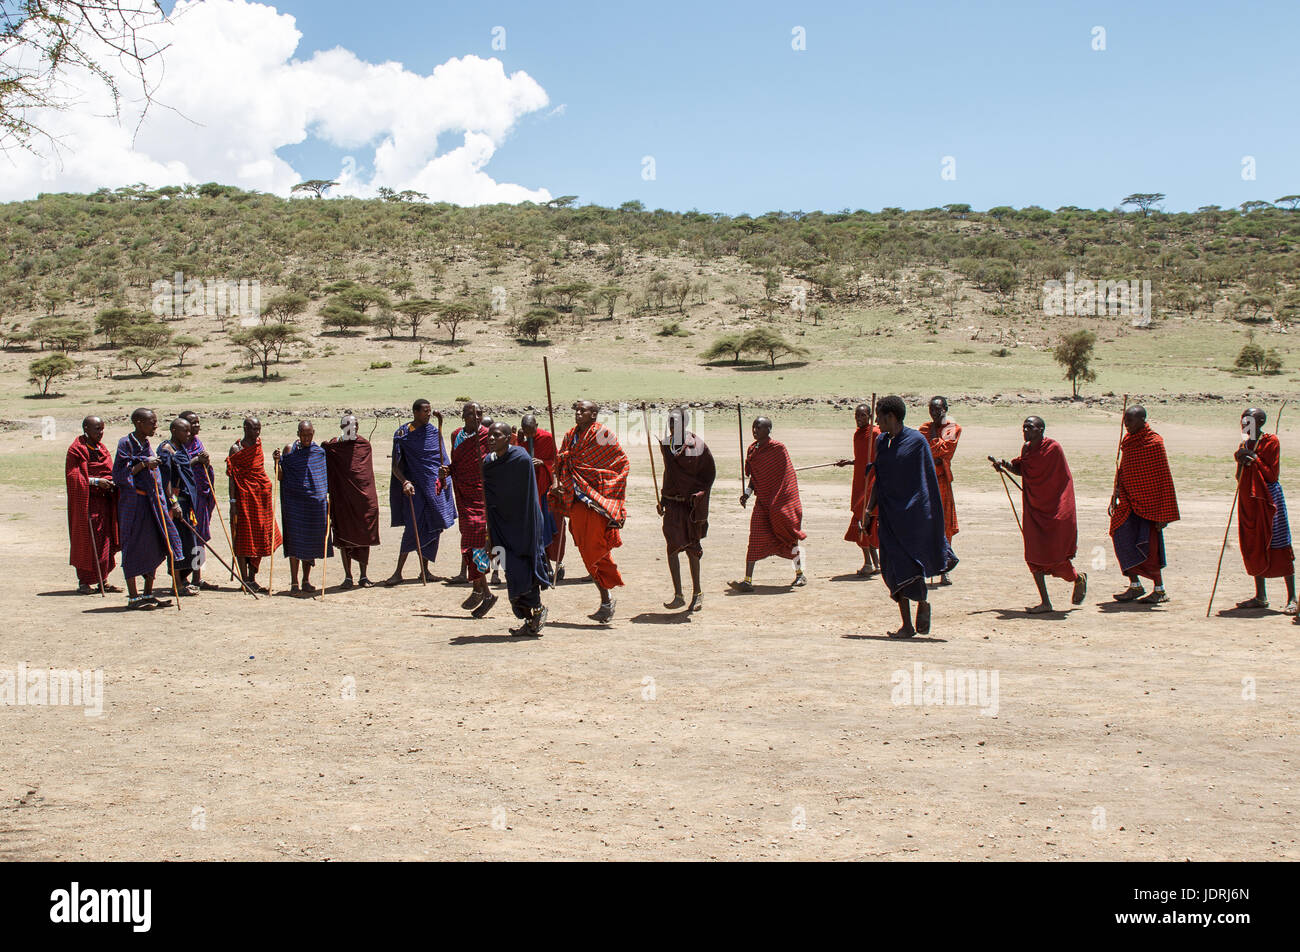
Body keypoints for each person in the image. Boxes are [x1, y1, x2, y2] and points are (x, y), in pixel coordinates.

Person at [865, 395, 958, 638]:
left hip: (912, 516)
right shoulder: (881, 442)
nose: (877, 421)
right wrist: (868, 511)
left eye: (880, 417)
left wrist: (925, 516)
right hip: (888, 515)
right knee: (892, 568)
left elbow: (924, 482)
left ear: (892, 417)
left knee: (909, 565)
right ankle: (906, 624)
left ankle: (922, 604)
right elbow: (879, 478)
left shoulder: (916, 442)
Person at [991, 416, 1086, 613]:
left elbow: (1061, 480)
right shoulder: (1026, 449)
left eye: (1030, 427)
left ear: (1041, 429)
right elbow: (1022, 469)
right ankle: (1045, 602)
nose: (1025, 430)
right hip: (1034, 508)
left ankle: (1077, 578)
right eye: (1024, 427)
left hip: (1054, 508)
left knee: (1056, 555)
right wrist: (1004, 465)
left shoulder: (1053, 448)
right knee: (1033, 555)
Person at [553, 400, 629, 623]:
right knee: (585, 549)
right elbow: (559, 462)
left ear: (593, 414)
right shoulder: (569, 435)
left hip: (594, 502)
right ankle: (606, 600)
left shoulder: (603, 435)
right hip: (575, 502)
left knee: (595, 548)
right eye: (576, 410)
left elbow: (621, 463)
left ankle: (606, 599)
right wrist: (556, 482)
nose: (578, 413)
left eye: (582, 410)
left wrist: (601, 486)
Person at [483, 422, 553, 635]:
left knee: (524, 567)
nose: (491, 439)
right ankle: (529, 619)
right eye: (490, 436)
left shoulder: (521, 458)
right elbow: (490, 495)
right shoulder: (488, 462)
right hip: (500, 525)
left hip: (524, 524)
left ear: (508, 437)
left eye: (497, 435)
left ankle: (538, 610)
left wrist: (527, 525)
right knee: (510, 569)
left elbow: (528, 495)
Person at [112, 408, 184, 609]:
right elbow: (120, 475)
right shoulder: (126, 443)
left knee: (155, 543)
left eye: (155, 422)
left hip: (153, 503)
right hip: (135, 505)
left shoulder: (145, 444)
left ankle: (148, 593)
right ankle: (134, 597)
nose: (155, 426)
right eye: (151, 422)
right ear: (137, 422)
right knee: (133, 546)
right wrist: (144, 464)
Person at [1109, 405, 1179, 604]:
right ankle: (1135, 585)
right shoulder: (1128, 442)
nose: (1126, 425)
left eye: (1130, 421)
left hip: (1150, 505)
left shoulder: (1154, 443)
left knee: (1149, 547)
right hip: (1128, 502)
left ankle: (1159, 589)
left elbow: (1163, 478)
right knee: (1120, 535)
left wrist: (1163, 514)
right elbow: (1124, 469)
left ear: (1142, 420)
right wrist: (1116, 490)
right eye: (1125, 421)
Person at [1232, 408, 1297, 614]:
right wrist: (1242, 459)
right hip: (1249, 499)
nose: (1244, 423)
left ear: (1260, 422)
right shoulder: (1244, 444)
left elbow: (1271, 476)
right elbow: (1239, 477)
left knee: (1278, 541)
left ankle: (1292, 598)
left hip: (1269, 499)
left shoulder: (1271, 441)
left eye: (1248, 420)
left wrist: (1254, 458)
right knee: (1254, 542)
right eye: (1242, 420)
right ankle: (1260, 596)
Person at [731, 416, 806, 591]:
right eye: (753, 427)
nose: (755, 430)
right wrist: (747, 493)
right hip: (762, 502)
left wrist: (782, 503)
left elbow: (787, 477)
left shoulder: (778, 449)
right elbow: (755, 478)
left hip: (779, 502)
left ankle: (800, 574)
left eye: (759, 427)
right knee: (755, 536)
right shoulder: (752, 449)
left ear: (768, 430)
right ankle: (747, 580)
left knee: (789, 538)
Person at [386, 399, 456, 585]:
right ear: (415, 412)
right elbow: (395, 466)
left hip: (433, 488)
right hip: (415, 489)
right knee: (412, 527)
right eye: (425, 411)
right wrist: (405, 482)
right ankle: (398, 572)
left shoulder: (434, 432)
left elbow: (442, 461)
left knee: (433, 526)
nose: (428, 414)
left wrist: (444, 476)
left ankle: (425, 570)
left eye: (429, 411)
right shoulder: (403, 434)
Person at [658, 405, 715, 611]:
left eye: (677, 421)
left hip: (690, 506)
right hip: (672, 504)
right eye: (670, 421)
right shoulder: (666, 445)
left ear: (686, 423)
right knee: (672, 548)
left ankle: (697, 592)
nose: (673, 425)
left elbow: (708, 476)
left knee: (692, 550)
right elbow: (668, 473)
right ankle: (678, 594)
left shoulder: (697, 445)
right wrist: (663, 499)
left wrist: (699, 496)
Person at [444, 402, 495, 616]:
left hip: (482, 496)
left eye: (479, 413)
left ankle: (482, 589)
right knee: (470, 541)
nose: (475, 417)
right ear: (462, 416)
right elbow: (456, 462)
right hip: (463, 494)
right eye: (470, 413)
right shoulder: (456, 435)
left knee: (475, 542)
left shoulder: (489, 435)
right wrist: (446, 470)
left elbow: (495, 459)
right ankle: (480, 588)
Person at [323, 413, 381, 589]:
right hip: (343, 498)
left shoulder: (364, 445)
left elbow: (365, 474)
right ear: (342, 427)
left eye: (354, 425)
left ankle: (364, 576)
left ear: (358, 427)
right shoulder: (334, 447)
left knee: (364, 534)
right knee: (344, 536)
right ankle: (348, 576)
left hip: (363, 498)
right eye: (348, 425)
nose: (351, 428)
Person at [274, 420, 331, 596]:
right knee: (294, 542)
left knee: (311, 542)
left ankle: (306, 580)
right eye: (303, 434)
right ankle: (294, 582)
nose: (306, 438)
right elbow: (280, 476)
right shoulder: (289, 450)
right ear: (298, 433)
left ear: (313, 433)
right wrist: (276, 462)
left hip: (313, 506)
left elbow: (322, 479)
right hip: (294, 503)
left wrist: (323, 499)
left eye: (309, 434)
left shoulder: (319, 453)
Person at [226, 415, 282, 593]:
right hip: (243, 499)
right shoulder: (236, 449)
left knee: (260, 536)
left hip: (260, 499)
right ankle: (244, 580)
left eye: (259, 429)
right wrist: (233, 501)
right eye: (253, 429)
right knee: (243, 538)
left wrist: (275, 460)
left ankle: (253, 577)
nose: (257, 432)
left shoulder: (258, 444)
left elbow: (259, 470)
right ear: (245, 428)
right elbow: (232, 477)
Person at [65, 415, 120, 594]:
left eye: (102, 429)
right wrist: (97, 482)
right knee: (87, 540)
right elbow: (74, 478)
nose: (100, 433)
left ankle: (103, 580)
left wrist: (111, 482)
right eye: (97, 429)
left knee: (105, 540)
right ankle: (84, 582)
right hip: (86, 503)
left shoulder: (102, 449)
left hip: (104, 502)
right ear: (86, 429)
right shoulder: (76, 450)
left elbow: (109, 471)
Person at [157, 415, 209, 595]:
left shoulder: (183, 448)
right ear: (174, 431)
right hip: (177, 504)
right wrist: (173, 503)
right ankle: (177, 584)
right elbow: (166, 480)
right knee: (177, 543)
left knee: (193, 542)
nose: (189, 433)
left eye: (190, 430)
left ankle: (194, 578)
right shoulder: (166, 450)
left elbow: (186, 467)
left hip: (191, 502)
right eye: (185, 430)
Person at [918, 395, 960, 585]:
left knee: (945, 525)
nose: (934, 413)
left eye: (938, 409)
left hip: (942, 481)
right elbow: (924, 452)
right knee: (925, 523)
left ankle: (945, 567)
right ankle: (927, 564)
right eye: (931, 409)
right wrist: (934, 455)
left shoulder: (952, 428)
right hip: (925, 480)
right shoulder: (923, 429)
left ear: (946, 409)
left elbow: (944, 450)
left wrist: (935, 434)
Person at [835, 402, 881, 577]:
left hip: (871, 483)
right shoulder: (857, 435)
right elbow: (862, 458)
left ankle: (869, 563)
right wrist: (849, 462)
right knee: (863, 521)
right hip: (859, 483)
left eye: (862, 415)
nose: (859, 419)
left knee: (862, 521)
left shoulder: (876, 433)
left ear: (870, 416)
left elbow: (876, 459)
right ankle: (876, 563)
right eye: (857, 415)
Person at [517, 413, 562, 579]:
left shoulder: (547, 438)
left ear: (537, 426)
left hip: (544, 488)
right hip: (527, 489)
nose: (530, 435)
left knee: (546, 525)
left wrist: (543, 463)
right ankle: (539, 563)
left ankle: (552, 562)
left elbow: (556, 462)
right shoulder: (520, 439)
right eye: (526, 432)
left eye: (532, 431)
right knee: (532, 527)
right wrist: (520, 441)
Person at [179, 411, 217, 590]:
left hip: (202, 496)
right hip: (187, 499)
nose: (196, 426)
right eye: (193, 423)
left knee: (200, 538)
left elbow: (204, 467)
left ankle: (198, 576)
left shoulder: (197, 443)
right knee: (188, 538)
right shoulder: (177, 446)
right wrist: (196, 460)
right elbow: (177, 465)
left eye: (197, 423)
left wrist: (206, 463)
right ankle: (181, 578)